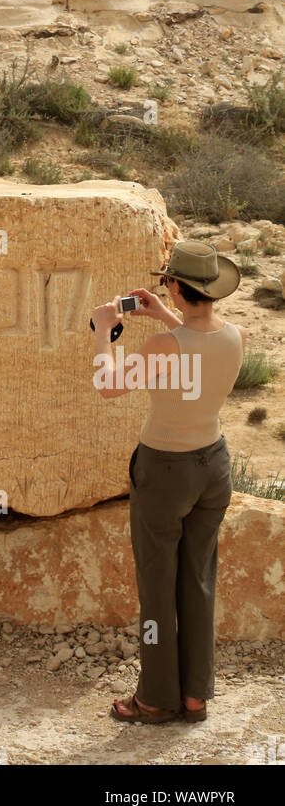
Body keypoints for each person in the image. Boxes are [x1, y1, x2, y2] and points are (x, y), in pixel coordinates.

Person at [91, 240, 247, 725]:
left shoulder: (165, 346)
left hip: (164, 471)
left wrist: (102, 333)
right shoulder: (234, 335)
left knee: (157, 586)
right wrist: (163, 314)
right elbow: (196, 348)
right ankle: (197, 695)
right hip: (213, 466)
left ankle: (157, 698)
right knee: (199, 579)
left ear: (177, 287)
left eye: (167, 284)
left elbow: (109, 384)